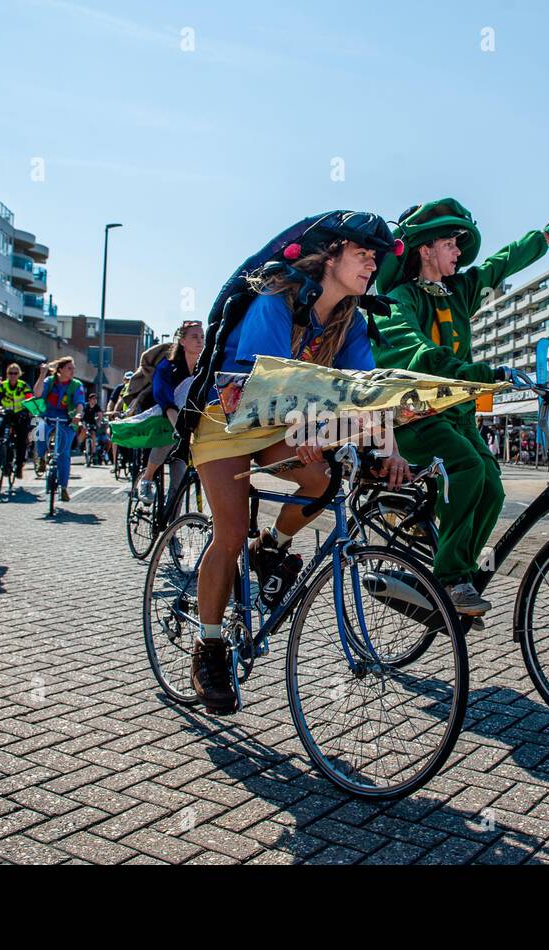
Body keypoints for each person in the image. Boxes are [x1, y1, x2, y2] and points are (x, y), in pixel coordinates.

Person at [184, 211, 412, 714]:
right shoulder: (276, 295)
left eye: (376, 258)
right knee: (228, 533)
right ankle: (210, 646)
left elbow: (365, 393)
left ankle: (273, 546)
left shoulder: (350, 319)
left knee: (321, 481)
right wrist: (306, 426)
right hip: (226, 419)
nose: (371, 265)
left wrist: (389, 449)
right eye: (361, 254)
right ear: (330, 256)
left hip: (280, 422)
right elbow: (263, 385)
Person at [370, 194, 549, 616]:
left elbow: (504, 262)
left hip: (460, 414)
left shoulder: (459, 292)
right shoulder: (400, 298)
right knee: (467, 468)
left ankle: (460, 573)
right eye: (451, 243)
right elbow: (415, 351)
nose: (459, 251)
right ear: (425, 248)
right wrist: (471, 372)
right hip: (415, 414)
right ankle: (448, 579)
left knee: (492, 484)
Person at [138, 321, 203, 505]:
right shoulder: (168, 367)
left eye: (202, 337)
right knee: (168, 437)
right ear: (182, 341)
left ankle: (170, 527)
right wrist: (181, 430)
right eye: (194, 337)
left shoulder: (203, 369)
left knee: (179, 483)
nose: (200, 341)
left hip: (187, 420)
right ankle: (147, 478)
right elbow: (165, 400)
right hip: (164, 416)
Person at [32, 357, 86, 501]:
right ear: (60, 370)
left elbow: (80, 403)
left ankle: (63, 487)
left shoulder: (76, 385)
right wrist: (42, 374)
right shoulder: (49, 382)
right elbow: (37, 394)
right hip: (47, 417)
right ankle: (41, 457)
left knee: (64, 453)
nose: (73, 371)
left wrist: (78, 415)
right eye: (69, 368)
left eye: (73, 368)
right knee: (39, 430)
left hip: (67, 420)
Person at [0, 363, 33, 479]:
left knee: (21, 440)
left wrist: (30, 410)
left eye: (15, 373)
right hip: (7, 413)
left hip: (20, 414)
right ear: (7, 374)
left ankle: (19, 467)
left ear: (19, 374)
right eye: (10, 373)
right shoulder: (3, 385)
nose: (13, 375)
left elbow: (29, 397)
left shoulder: (23, 385)